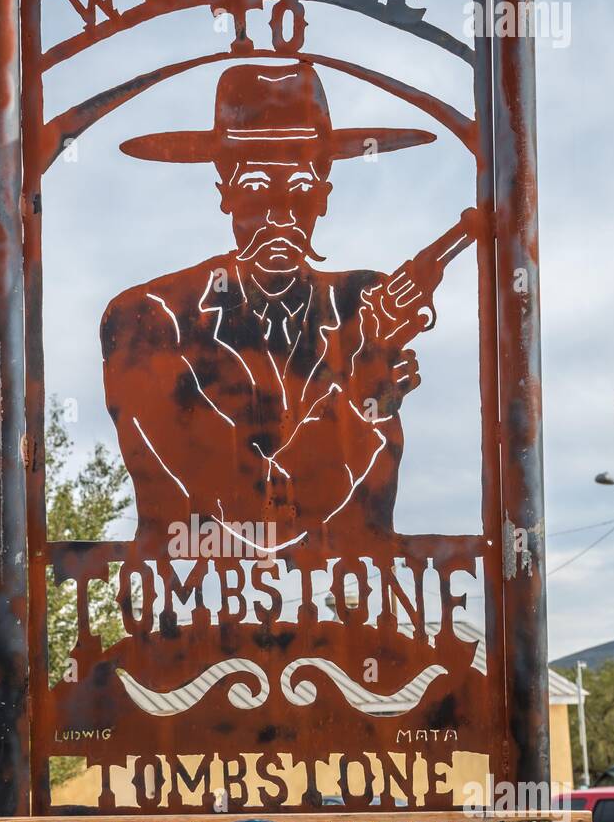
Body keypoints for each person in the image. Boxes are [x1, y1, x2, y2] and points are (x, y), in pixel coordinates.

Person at [101, 61, 436, 549]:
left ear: (323, 198)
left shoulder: (364, 304)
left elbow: (370, 503)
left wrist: (375, 392)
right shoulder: (150, 318)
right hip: (195, 606)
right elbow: (248, 509)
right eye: (257, 188)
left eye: (300, 190)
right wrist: (362, 398)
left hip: (353, 606)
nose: (281, 214)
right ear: (225, 197)